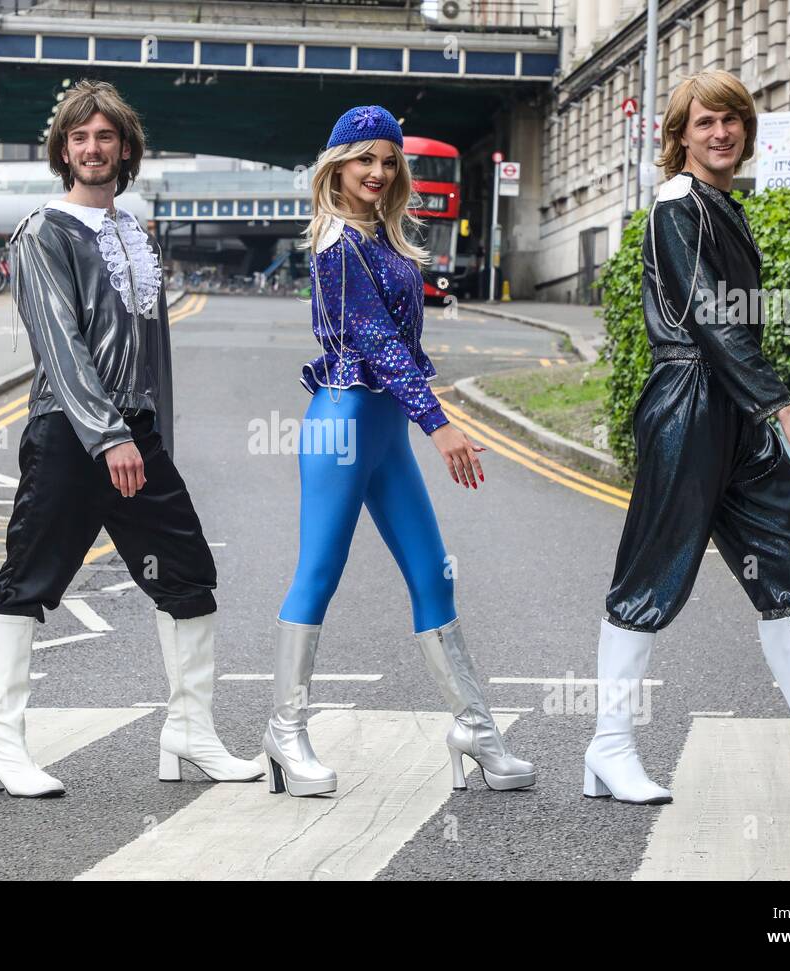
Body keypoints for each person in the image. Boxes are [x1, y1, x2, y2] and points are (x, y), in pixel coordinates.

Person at [585, 70, 790, 805]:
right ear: (679, 137)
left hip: (733, 407)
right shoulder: (678, 205)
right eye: (704, 122)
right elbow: (710, 318)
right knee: (653, 573)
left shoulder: (721, 205)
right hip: (690, 403)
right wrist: (782, 407)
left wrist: (760, 406)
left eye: (731, 119)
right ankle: (610, 744)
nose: (721, 132)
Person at [0, 80, 261, 797]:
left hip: (136, 435)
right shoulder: (43, 232)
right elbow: (60, 344)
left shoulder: (136, 232)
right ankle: (2, 745)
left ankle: (190, 732)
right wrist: (107, 437)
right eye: (79, 137)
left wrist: (149, 433)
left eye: (105, 136)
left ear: (126, 149)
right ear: (63, 150)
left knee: (188, 572)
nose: (92, 148)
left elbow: (154, 349)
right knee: (29, 579)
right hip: (71, 433)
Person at [261, 106, 536, 798]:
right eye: (365, 160)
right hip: (342, 422)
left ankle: (475, 728)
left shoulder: (382, 237)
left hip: (383, 429)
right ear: (336, 167)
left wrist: (423, 419)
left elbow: (403, 345)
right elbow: (380, 345)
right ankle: (285, 730)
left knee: (432, 573)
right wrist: (439, 424)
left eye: (388, 161)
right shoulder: (338, 245)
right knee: (319, 572)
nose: (378, 172)